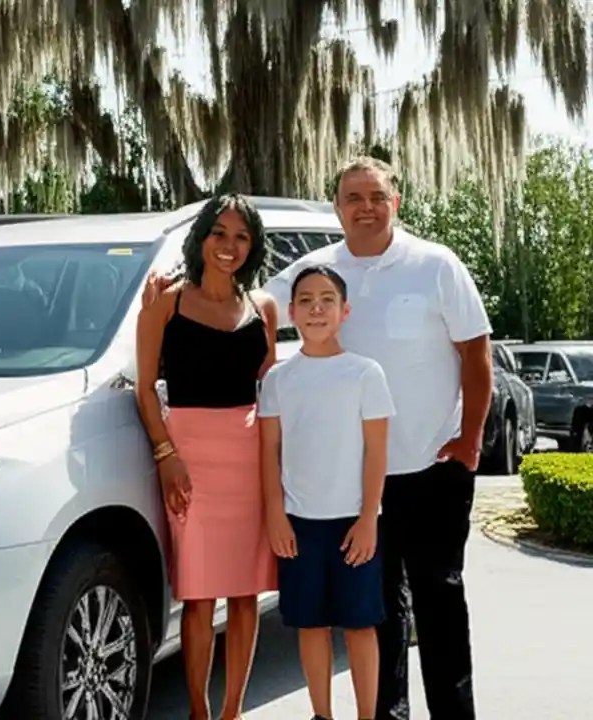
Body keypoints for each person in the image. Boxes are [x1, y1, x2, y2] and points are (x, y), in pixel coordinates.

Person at [145, 157, 491, 718]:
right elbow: (237, 297)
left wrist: (470, 440)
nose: (366, 207)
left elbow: (476, 353)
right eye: (353, 197)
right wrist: (165, 288)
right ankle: (385, 712)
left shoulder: (436, 265)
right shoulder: (315, 271)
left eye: (376, 196)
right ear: (337, 208)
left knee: (440, 601)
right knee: (377, 612)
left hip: (431, 468)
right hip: (353, 488)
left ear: (395, 202)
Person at [135, 192, 280, 720]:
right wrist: (165, 452)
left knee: (245, 594)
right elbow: (146, 388)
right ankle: (199, 711)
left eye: (242, 236)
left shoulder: (263, 307)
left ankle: (231, 712)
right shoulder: (165, 301)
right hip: (188, 457)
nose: (229, 245)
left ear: (253, 245)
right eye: (219, 233)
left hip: (248, 457)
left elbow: (274, 388)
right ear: (201, 237)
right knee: (199, 595)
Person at [258, 265, 395, 720]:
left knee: (359, 625)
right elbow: (269, 453)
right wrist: (276, 515)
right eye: (306, 301)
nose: (317, 308)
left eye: (327, 300)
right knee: (310, 623)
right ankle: (322, 713)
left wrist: (368, 518)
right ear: (292, 312)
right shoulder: (278, 379)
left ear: (345, 310)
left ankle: (367, 714)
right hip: (299, 524)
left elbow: (377, 451)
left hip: (354, 524)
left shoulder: (365, 374)